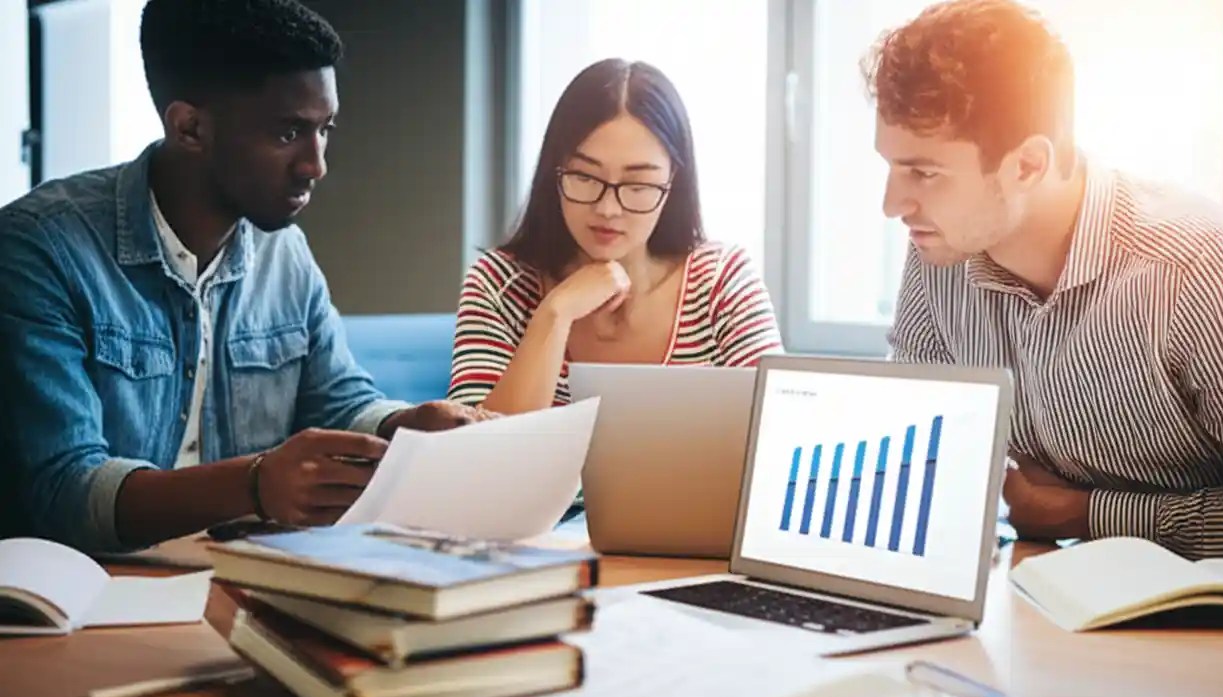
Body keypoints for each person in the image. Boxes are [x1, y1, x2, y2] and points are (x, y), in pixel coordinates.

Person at [0, 0, 488, 554]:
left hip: (243, 580)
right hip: (91, 598)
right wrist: (255, 483)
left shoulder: (285, 253)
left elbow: (339, 400)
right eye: (288, 134)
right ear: (189, 127)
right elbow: (65, 492)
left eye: (324, 129)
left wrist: (403, 425)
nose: (316, 164)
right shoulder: (41, 247)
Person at [865, 0, 1223, 564]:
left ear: (1028, 165)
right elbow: (918, 462)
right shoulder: (943, 250)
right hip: (1045, 599)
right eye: (890, 166)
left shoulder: (1197, 271)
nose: (893, 205)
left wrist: (1086, 513)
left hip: (1219, 628)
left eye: (925, 172)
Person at [448, 59, 783, 413]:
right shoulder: (498, 284)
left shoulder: (720, 280)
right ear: (553, 173)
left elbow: (781, 431)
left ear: (673, 185)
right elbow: (481, 453)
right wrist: (556, 313)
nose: (608, 208)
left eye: (638, 183)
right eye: (585, 177)